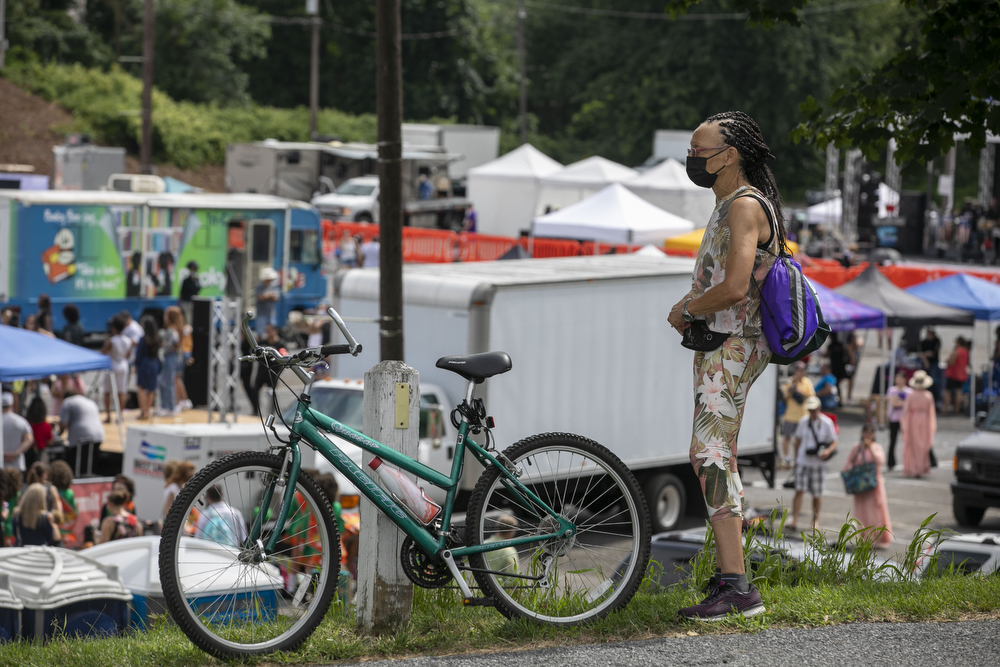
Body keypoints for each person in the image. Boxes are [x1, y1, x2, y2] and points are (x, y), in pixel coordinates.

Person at [667, 111, 784, 621]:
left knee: (709, 455)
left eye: (700, 150)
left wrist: (687, 308)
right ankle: (733, 580)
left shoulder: (742, 207)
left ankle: (736, 586)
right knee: (719, 456)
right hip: (727, 344)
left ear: (729, 155)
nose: (692, 158)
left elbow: (737, 286)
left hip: (735, 344)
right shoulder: (730, 205)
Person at [789, 396, 838, 533]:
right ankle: (795, 519)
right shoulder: (803, 421)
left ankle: (815, 521)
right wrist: (795, 459)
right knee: (799, 490)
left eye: (814, 409)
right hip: (803, 461)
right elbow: (797, 441)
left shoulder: (827, 422)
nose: (812, 412)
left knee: (817, 493)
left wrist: (828, 451)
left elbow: (834, 441)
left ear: (819, 408)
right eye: (810, 409)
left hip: (818, 463)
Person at [841, 424, 893, 548]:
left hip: (874, 485)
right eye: (866, 432)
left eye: (871, 432)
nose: (868, 435)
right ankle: (865, 538)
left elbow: (880, 461)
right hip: (861, 486)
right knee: (861, 512)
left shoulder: (876, 447)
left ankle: (877, 538)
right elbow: (848, 463)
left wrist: (870, 448)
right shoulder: (856, 447)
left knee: (875, 512)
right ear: (862, 433)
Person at [58, 387, 105, 477]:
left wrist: (58, 433)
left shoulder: (67, 402)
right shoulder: (89, 401)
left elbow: (63, 424)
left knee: (77, 465)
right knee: (90, 464)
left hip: (81, 437)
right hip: (99, 435)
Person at [902, 370, 937, 478]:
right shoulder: (928, 395)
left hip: (914, 420)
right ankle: (920, 467)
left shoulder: (911, 396)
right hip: (924, 420)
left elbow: (906, 411)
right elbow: (931, 412)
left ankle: (915, 467)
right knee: (922, 444)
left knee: (914, 444)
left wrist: (905, 423)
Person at [780, 362, 815, 469]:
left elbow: (812, 396)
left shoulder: (807, 382)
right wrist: (791, 391)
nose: (801, 372)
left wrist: (798, 390)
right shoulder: (789, 381)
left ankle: (798, 459)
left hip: (803, 415)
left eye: (803, 370)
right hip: (790, 415)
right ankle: (786, 457)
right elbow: (784, 398)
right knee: (787, 437)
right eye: (799, 370)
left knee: (800, 439)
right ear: (795, 371)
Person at [101, 315, 132, 423]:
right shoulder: (128, 340)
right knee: (121, 392)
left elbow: (103, 352)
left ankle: (109, 415)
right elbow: (128, 355)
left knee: (107, 392)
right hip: (123, 365)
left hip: (112, 366)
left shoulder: (112, 340)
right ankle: (120, 415)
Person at [253, 324, 288, 415]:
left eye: (270, 331)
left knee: (272, 394)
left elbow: (284, 357)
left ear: (275, 331)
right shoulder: (263, 342)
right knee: (255, 390)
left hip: (273, 372)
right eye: (266, 331)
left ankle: (271, 413)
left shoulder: (281, 344)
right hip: (262, 372)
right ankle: (256, 410)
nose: (268, 333)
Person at [158, 306, 184, 416]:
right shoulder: (173, 329)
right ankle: (166, 405)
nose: (164, 317)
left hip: (170, 357)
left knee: (168, 382)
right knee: (165, 381)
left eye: (166, 315)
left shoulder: (172, 330)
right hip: (170, 357)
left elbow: (173, 344)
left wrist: (164, 347)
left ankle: (170, 406)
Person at [135, 315, 162, 420]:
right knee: (152, 388)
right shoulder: (157, 339)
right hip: (154, 363)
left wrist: (136, 365)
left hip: (144, 363)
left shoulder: (143, 339)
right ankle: (148, 411)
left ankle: (143, 411)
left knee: (140, 387)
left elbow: (139, 354)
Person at [48, 460, 78, 547]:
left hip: (54, 531)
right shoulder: (69, 493)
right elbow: (75, 512)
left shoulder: (50, 491)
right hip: (67, 531)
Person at [2, 392, 34, 471]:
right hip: (17, 466)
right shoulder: (21, 421)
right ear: (12, 404)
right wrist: (16, 453)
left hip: (2, 465)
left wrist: (3, 454)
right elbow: (29, 440)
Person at [885, 370, 910, 471]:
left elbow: (908, 404)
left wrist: (901, 402)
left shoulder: (909, 391)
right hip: (894, 418)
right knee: (892, 441)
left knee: (906, 441)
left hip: (905, 419)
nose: (898, 380)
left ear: (905, 379)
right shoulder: (892, 390)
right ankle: (891, 462)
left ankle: (908, 461)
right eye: (897, 378)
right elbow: (894, 403)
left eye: (900, 378)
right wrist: (903, 402)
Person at [943, 336, 970, 415]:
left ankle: (946, 408)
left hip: (953, 374)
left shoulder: (956, 351)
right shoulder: (966, 351)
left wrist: (947, 361)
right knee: (959, 391)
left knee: (947, 391)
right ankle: (957, 409)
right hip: (962, 374)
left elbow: (951, 362)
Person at [25, 396, 52, 468]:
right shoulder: (46, 425)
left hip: (26, 453)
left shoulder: (26, 423)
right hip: (40, 453)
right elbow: (49, 441)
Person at [919, 327, 942, 405]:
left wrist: (925, 356)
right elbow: (921, 354)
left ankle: (936, 399)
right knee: (923, 380)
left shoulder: (936, 341)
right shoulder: (924, 342)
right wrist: (926, 361)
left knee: (934, 381)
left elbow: (932, 353)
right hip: (925, 363)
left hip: (934, 363)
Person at [254, 267, 281, 334]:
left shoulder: (273, 287)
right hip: (261, 314)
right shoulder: (259, 287)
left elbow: (276, 298)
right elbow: (260, 298)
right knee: (260, 333)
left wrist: (266, 296)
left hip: (271, 314)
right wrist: (269, 296)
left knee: (271, 332)